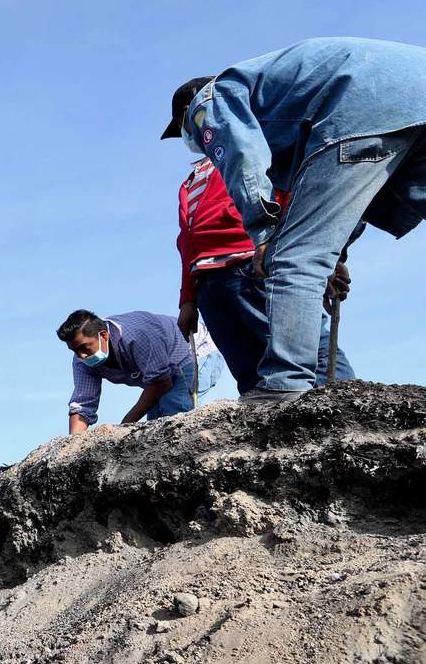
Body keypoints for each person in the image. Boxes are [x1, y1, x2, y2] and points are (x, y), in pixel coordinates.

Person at [161, 38, 426, 401]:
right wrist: (335, 255)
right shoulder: (279, 108)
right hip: (411, 98)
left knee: (291, 258)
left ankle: (284, 387)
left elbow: (242, 158)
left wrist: (265, 232)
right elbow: (351, 196)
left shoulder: (211, 100)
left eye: (184, 131)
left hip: (362, 104)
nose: (191, 139)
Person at [174, 157, 356, 395]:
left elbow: (296, 197)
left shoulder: (256, 149)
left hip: (254, 263)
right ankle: (279, 428)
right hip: (209, 282)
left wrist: (323, 259)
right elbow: (186, 241)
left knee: (307, 351)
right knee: (250, 374)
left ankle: (343, 411)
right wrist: (187, 300)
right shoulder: (191, 181)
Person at [58, 310, 195, 433]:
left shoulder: (137, 336)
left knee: (173, 413)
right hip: (157, 377)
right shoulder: (81, 361)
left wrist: (123, 426)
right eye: (75, 351)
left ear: (104, 336)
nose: (81, 355)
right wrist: (74, 444)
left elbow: (161, 383)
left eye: (85, 347)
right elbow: (83, 405)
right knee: (155, 426)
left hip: (188, 351)